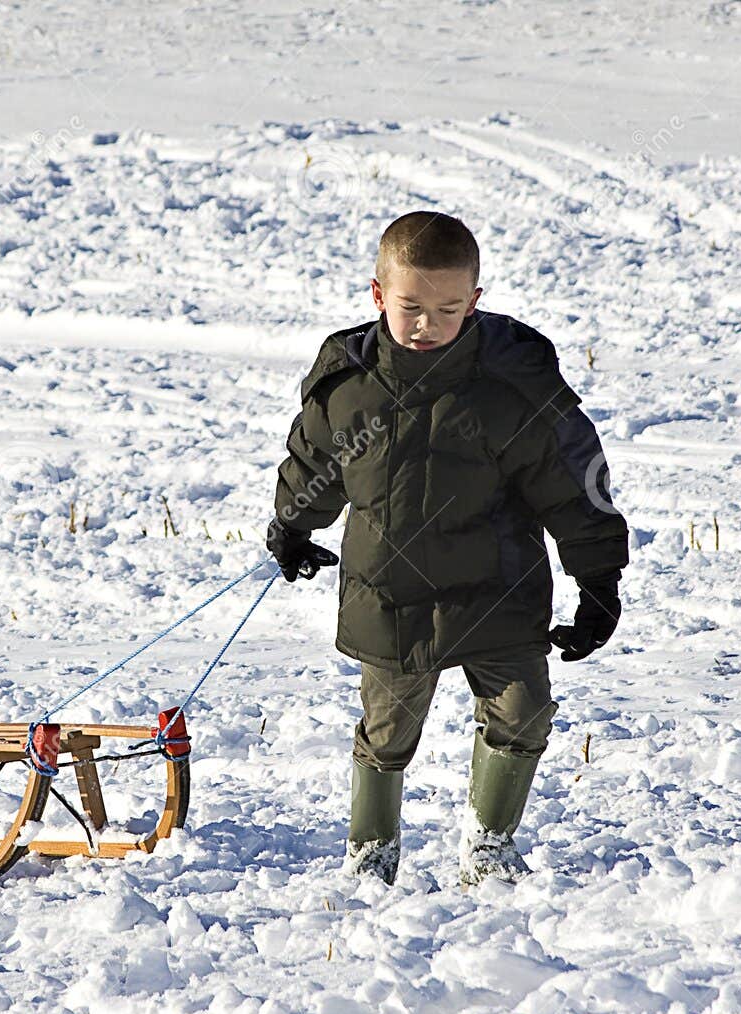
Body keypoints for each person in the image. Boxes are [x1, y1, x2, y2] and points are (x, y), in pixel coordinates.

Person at [266, 211, 628, 888]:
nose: (427, 324)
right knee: (387, 730)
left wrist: (599, 577)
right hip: (389, 592)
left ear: (475, 301)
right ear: (378, 297)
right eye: (411, 308)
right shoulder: (351, 383)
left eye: (448, 308)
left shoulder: (512, 383)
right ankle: (371, 849)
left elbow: (571, 483)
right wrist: (293, 522)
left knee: (523, 711)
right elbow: (315, 459)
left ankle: (489, 844)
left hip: (499, 583)